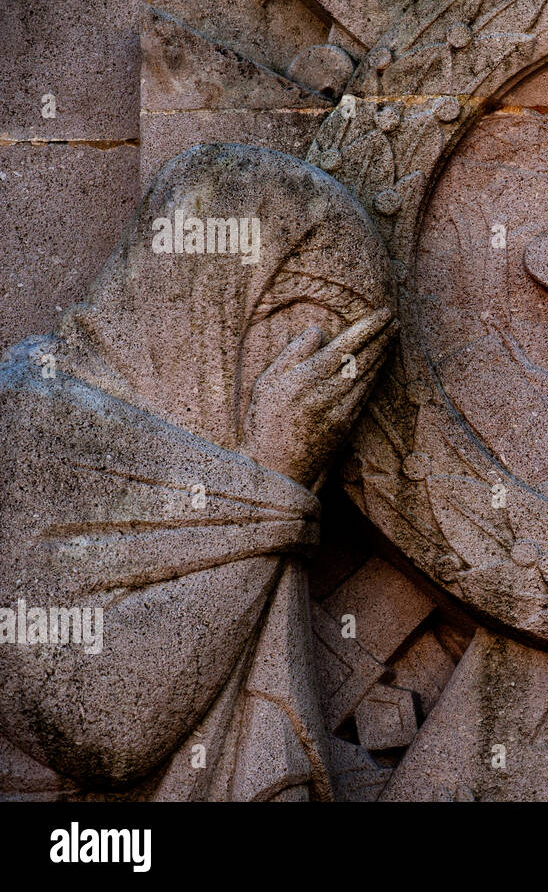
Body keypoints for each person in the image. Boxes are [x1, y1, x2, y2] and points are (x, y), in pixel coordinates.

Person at [0, 144, 394, 799]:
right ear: (207, 293)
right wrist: (274, 480)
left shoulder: (230, 486)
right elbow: (99, 725)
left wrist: (270, 489)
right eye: (295, 347)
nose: (301, 409)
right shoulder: (29, 422)